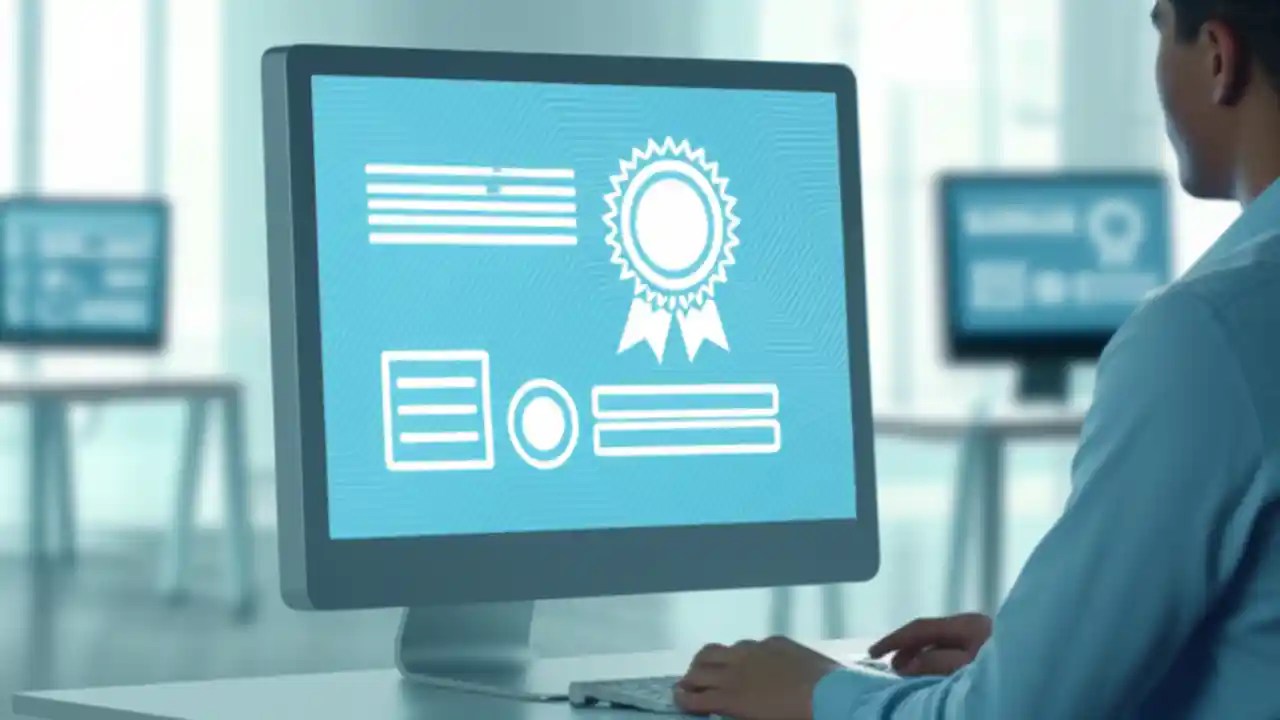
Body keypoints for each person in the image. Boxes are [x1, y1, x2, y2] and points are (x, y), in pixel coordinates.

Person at [675, 0, 1280, 717]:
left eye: (1159, 32)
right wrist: (1057, 652)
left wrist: (817, 694)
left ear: (1218, 57)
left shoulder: (1203, 337)